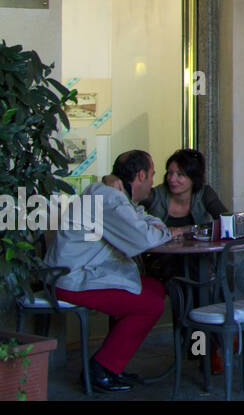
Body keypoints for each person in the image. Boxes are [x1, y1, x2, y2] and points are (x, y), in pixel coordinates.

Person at [49, 149, 179, 393]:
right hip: (71, 279)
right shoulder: (110, 198)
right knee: (151, 306)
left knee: (155, 288)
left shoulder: (111, 195)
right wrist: (166, 230)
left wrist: (153, 225)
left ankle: (112, 363)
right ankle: (100, 369)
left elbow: (143, 221)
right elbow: (144, 237)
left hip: (79, 272)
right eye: (151, 175)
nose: (153, 182)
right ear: (140, 175)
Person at [146, 148, 229, 229]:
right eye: (170, 173)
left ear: (194, 178)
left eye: (180, 174)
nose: (172, 179)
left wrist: (184, 230)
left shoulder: (205, 193)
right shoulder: (154, 195)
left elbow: (227, 222)